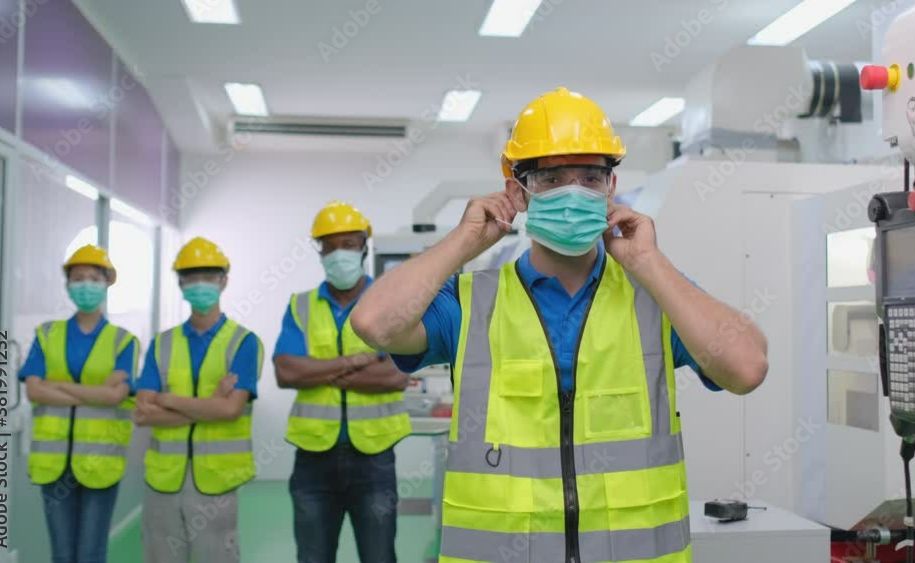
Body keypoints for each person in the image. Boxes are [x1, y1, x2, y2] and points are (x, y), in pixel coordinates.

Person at [350, 87, 769, 563]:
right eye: (550, 178)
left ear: (611, 189)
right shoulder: (470, 303)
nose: (573, 192)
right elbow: (373, 322)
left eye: (590, 177)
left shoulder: (653, 296)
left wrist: (649, 262)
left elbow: (747, 367)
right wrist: (461, 243)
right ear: (518, 190)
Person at [274, 201, 411, 563]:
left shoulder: (389, 302)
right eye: (330, 245)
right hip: (313, 458)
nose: (339, 254)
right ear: (319, 250)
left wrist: (318, 370)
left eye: (348, 244)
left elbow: (396, 376)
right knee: (313, 556)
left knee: (379, 556)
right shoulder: (299, 305)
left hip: (375, 458)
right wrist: (356, 361)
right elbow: (287, 373)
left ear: (364, 247)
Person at [134, 237, 263, 563]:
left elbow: (231, 409)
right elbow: (143, 414)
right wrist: (210, 406)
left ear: (224, 281)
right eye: (192, 277)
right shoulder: (162, 344)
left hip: (216, 481)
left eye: (208, 275)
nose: (200, 284)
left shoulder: (243, 343)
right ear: (181, 283)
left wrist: (168, 399)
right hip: (162, 480)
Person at [18, 244, 139, 563]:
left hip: (100, 462)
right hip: (53, 464)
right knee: (62, 554)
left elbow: (116, 397)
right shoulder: (46, 334)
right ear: (68, 285)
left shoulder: (124, 341)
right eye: (78, 278)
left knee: (90, 554)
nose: (85, 285)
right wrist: (94, 390)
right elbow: (34, 391)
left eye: (93, 278)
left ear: (106, 283)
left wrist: (55, 384)